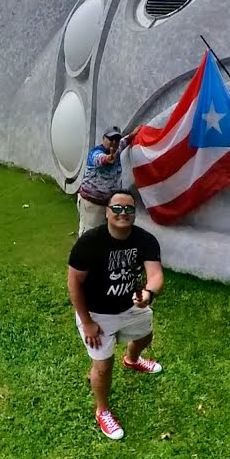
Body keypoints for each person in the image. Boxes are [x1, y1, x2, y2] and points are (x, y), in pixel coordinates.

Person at [66, 190, 164, 441]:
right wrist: (86, 322)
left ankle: (132, 359)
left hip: (130, 306)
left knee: (145, 335)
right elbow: (74, 283)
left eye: (129, 209)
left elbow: (155, 274)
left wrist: (148, 294)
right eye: (117, 208)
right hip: (97, 313)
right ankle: (103, 410)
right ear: (107, 212)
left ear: (134, 214)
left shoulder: (145, 240)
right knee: (103, 365)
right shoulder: (90, 243)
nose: (123, 213)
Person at [76, 126, 135, 236]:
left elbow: (125, 140)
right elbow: (100, 159)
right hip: (92, 204)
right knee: (90, 235)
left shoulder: (118, 148)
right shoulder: (95, 153)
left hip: (107, 203)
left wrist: (136, 132)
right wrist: (108, 158)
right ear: (103, 139)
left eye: (116, 139)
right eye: (110, 139)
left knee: (104, 234)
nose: (113, 142)